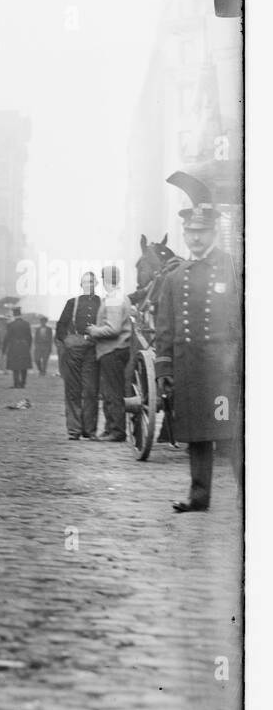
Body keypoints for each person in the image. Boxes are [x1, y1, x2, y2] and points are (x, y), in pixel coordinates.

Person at [155, 172, 242, 512]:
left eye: (201, 232)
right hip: (189, 368)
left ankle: (249, 495)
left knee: (228, 433)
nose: (194, 238)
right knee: (197, 434)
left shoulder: (231, 268)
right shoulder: (175, 277)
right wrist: (165, 370)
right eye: (190, 232)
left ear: (213, 232)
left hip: (222, 367)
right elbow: (165, 328)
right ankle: (199, 496)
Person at [86, 265, 134, 443]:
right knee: (109, 391)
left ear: (106, 280)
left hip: (112, 350)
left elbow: (113, 329)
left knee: (112, 392)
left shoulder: (114, 298)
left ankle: (117, 431)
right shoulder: (119, 297)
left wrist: (94, 331)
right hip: (115, 350)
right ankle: (110, 428)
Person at [56, 272, 102, 439]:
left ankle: (89, 431)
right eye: (85, 282)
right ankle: (74, 430)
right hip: (74, 349)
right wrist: (67, 340)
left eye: (91, 282)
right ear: (81, 285)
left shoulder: (101, 303)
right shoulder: (72, 303)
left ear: (95, 284)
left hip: (93, 349)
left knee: (91, 390)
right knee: (73, 389)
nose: (88, 285)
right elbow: (60, 327)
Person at [2, 307, 33, 388]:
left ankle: (16, 383)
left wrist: (4, 349)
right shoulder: (26, 324)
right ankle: (23, 383)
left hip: (14, 346)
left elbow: (7, 338)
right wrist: (28, 347)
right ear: (20, 314)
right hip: (24, 346)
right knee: (24, 366)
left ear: (14, 314)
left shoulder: (11, 325)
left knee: (15, 366)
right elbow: (29, 337)